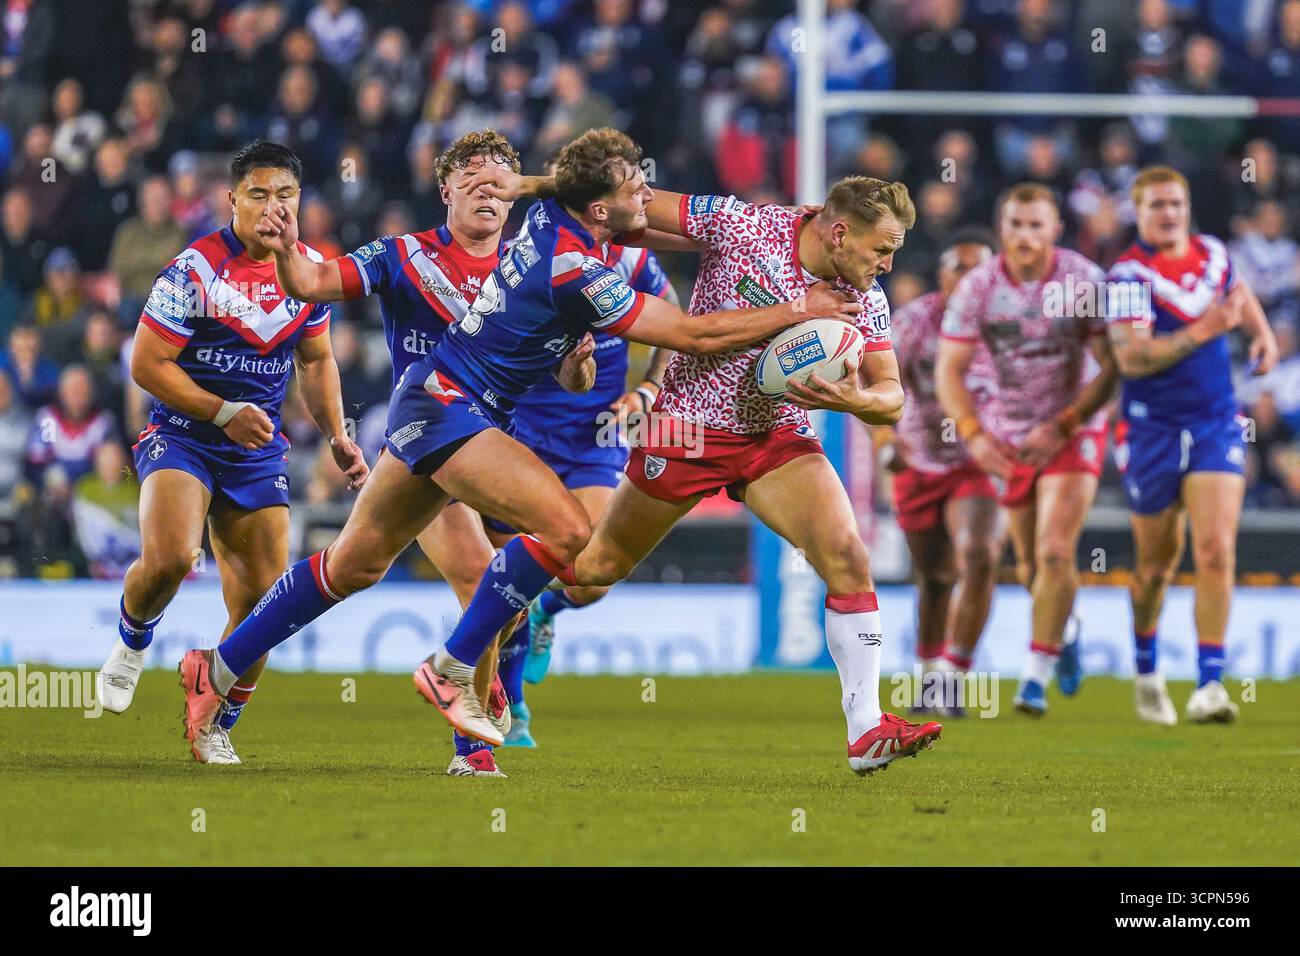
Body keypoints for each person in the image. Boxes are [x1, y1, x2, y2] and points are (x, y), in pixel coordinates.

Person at [175, 128, 855, 763]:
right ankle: (449, 671)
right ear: (598, 209)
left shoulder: (549, 227)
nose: (647, 198)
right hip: (451, 409)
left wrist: (796, 228)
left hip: (435, 404)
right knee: (566, 532)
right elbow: (692, 336)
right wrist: (802, 309)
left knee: (351, 566)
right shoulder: (574, 266)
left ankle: (219, 666)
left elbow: (565, 314)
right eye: (634, 190)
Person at [462, 154, 946, 775]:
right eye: (883, 248)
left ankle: (866, 729)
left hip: (775, 436)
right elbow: (630, 201)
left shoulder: (862, 298)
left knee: (847, 556)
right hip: (685, 429)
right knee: (594, 571)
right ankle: (500, 614)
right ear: (839, 232)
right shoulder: (748, 227)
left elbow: (892, 395)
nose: (888, 264)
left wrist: (859, 401)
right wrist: (532, 185)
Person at [265, 128, 551, 778]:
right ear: (444, 188)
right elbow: (315, 280)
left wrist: (587, 368)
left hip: (498, 446)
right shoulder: (403, 255)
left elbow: (569, 373)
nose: (485, 190)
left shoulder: (528, 272)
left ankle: (221, 671)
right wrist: (287, 253)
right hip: (428, 442)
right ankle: (475, 746)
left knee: (367, 568)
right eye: (471, 178)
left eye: (499, 181)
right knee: (487, 582)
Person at [97, 141, 368, 766]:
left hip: (256, 450)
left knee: (262, 602)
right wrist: (221, 411)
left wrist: (336, 435)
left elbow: (317, 359)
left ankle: (217, 723)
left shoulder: (308, 270)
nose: (274, 208)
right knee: (168, 560)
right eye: (259, 195)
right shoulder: (194, 270)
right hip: (185, 434)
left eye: (286, 195)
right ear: (233, 201)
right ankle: (134, 638)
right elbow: (145, 364)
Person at [935, 183, 1118, 717]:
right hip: (1008, 433)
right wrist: (972, 432)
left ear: (1056, 230)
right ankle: (1070, 626)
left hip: (1073, 425)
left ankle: (1033, 678)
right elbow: (950, 369)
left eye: (1036, 225)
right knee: (1031, 565)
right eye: (1016, 225)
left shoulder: (1085, 280)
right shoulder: (979, 286)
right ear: (1002, 229)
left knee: (1057, 549)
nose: (1025, 236)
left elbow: (1112, 367)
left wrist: (1066, 424)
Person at [1105, 166, 1279, 725]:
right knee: (1156, 563)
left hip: (1214, 422)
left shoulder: (1213, 253)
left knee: (1215, 550)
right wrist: (1204, 332)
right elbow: (1132, 358)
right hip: (1151, 428)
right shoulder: (1127, 277)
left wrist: (1262, 334)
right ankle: (1147, 667)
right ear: (1139, 212)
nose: (1169, 213)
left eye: (1176, 203)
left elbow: (1237, 292)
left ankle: (1209, 684)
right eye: (1157, 205)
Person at [882, 230, 1003, 715]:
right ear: (943, 275)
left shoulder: (1009, 326)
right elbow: (879, 383)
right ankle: (929, 674)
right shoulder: (914, 321)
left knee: (978, 555)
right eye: (962, 269)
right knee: (933, 577)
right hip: (917, 458)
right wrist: (885, 441)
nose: (972, 280)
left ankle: (954, 676)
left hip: (977, 461)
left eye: (983, 271)